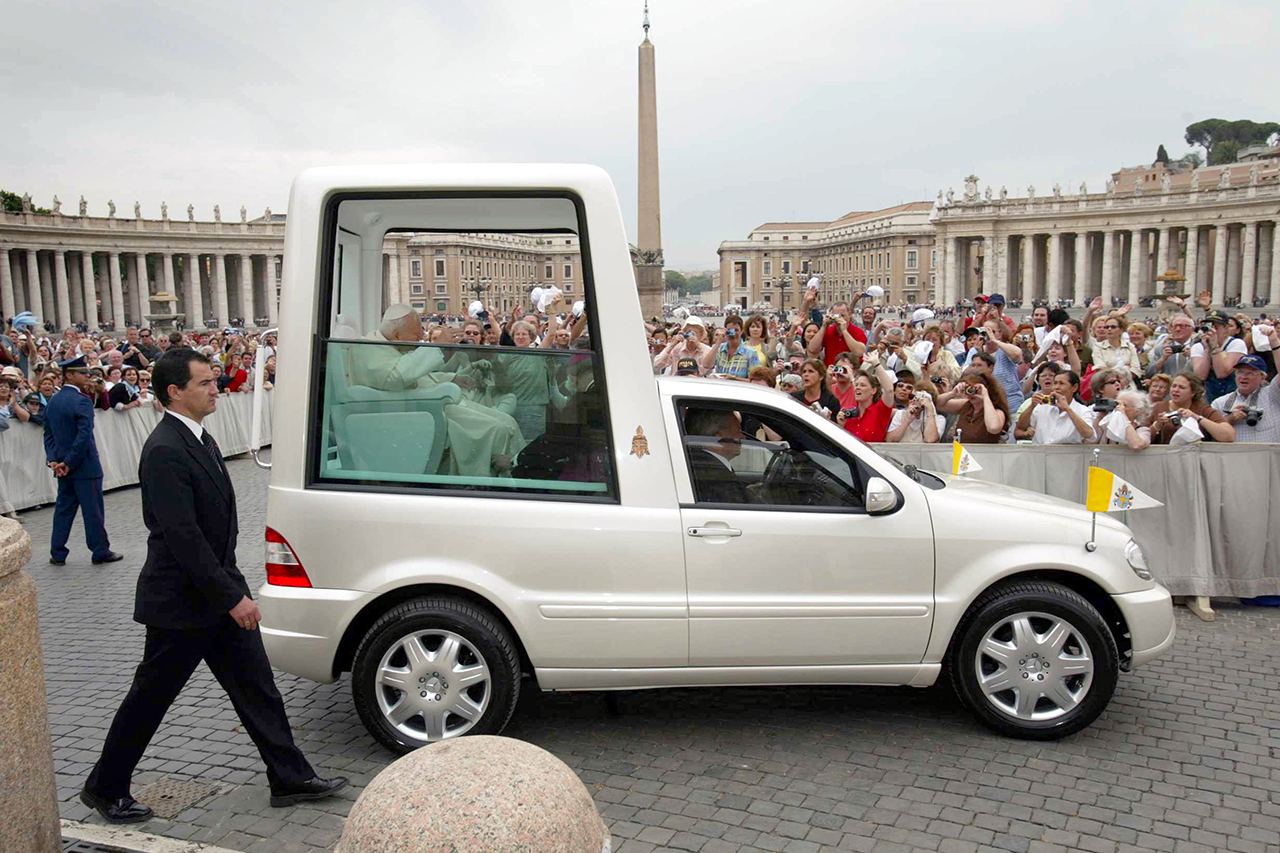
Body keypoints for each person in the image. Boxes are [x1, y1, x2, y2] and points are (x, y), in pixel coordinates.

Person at [80, 349, 347, 825]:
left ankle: (289, 778)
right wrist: (233, 598)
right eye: (204, 383)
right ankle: (105, 787)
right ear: (174, 392)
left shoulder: (199, 438)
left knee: (258, 689)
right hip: (181, 604)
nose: (215, 389)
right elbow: (183, 538)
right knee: (149, 699)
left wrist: (230, 590)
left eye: (214, 380)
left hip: (217, 594)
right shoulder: (164, 449)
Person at [43, 356, 123, 566]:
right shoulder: (82, 400)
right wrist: (69, 462)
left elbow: (48, 434)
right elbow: (84, 436)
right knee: (92, 511)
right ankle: (100, 551)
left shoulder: (53, 401)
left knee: (63, 510)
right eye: (83, 373)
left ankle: (57, 553)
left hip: (63, 466)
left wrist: (54, 459)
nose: (88, 376)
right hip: (84, 466)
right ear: (69, 375)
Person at [683, 408, 750, 504]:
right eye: (738, 430)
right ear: (718, 437)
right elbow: (737, 503)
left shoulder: (700, 463)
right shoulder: (716, 475)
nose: (743, 437)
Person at [1211, 354, 1280, 442]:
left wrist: (1275, 346)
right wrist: (1230, 419)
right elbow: (1210, 432)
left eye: (1250, 373)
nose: (1243, 377)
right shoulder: (1220, 403)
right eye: (1240, 372)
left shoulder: (1272, 394)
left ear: (1263, 377)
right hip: (1236, 450)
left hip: (1269, 450)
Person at [1151, 372, 1234, 444]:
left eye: (1182, 387)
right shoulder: (1156, 407)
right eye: (1174, 386)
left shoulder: (1203, 409)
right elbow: (1144, 438)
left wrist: (1198, 418)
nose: (1176, 390)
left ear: (1193, 393)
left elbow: (1229, 436)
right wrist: (1157, 425)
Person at [1017, 370, 1095, 445]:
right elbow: (1021, 427)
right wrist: (1031, 406)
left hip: (1067, 453)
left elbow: (1089, 435)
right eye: (1055, 383)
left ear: (1074, 387)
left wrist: (1067, 409)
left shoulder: (1082, 410)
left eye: (1061, 383)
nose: (1057, 387)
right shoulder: (1042, 406)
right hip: (1040, 452)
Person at [834, 350, 896, 441]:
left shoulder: (880, 410)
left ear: (873, 390)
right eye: (856, 385)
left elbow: (889, 390)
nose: (857, 388)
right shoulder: (848, 412)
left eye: (863, 385)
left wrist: (876, 364)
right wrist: (841, 425)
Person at [938, 369, 1009, 443]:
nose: (972, 393)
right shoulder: (966, 405)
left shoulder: (997, 412)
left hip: (985, 450)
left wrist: (985, 396)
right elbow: (938, 405)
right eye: (968, 389)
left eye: (975, 389)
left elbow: (993, 428)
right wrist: (953, 393)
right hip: (963, 449)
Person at [1192, 311, 1247, 399]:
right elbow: (1200, 376)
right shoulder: (1198, 347)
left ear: (1225, 328)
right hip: (1209, 395)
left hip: (1232, 395)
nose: (1212, 330)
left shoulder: (1236, 343)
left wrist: (1215, 348)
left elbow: (1222, 373)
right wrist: (1207, 350)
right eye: (1209, 327)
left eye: (1216, 327)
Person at [700, 313, 761, 379]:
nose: (733, 334)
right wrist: (718, 342)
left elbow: (756, 380)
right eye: (730, 330)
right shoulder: (720, 349)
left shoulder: (751, 353)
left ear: (741, 331)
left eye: (736, 330)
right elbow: (706, 365)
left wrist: (734, 379)